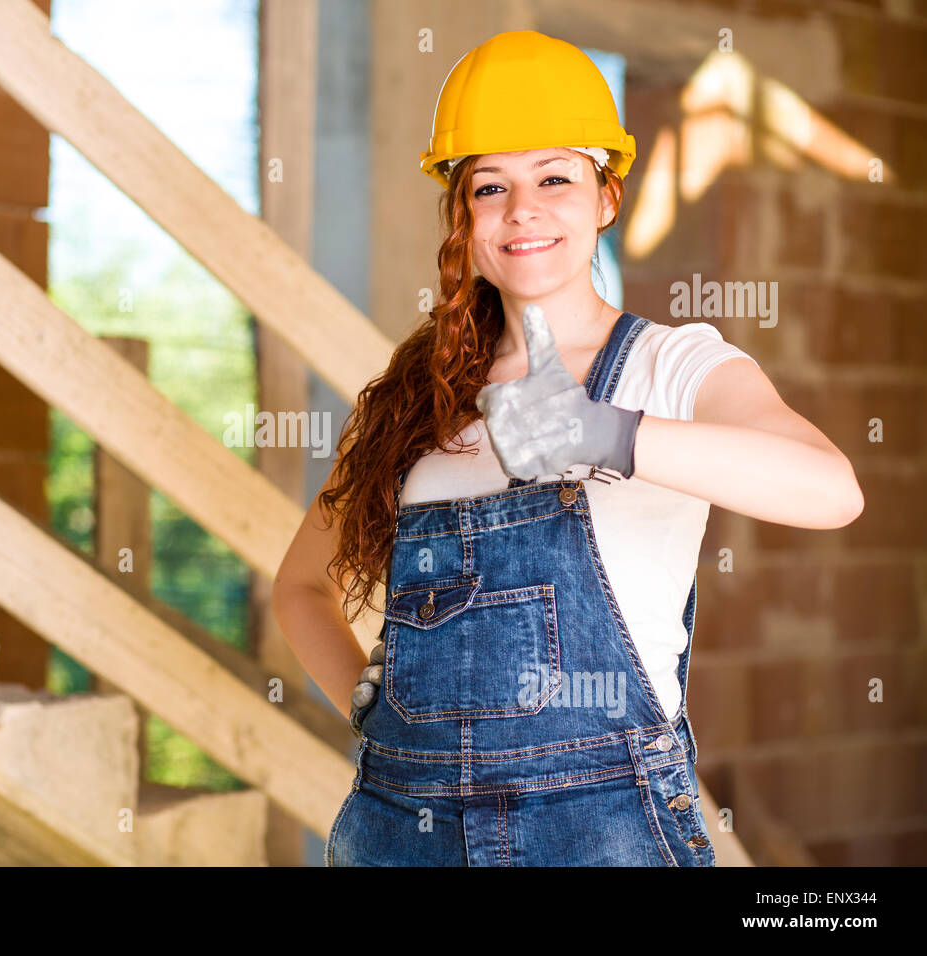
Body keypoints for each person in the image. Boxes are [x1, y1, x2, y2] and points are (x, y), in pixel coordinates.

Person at [272, 30, 863, 867]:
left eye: (555, 178)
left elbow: (831, 490)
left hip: (601, 829)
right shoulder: (418, 395)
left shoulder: (671, 364)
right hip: (402, 827)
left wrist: (606, 434)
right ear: (462, 214)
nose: (523, 210)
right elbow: (299, 587)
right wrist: (372, 711)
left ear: (605, 198)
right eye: (490, 186)